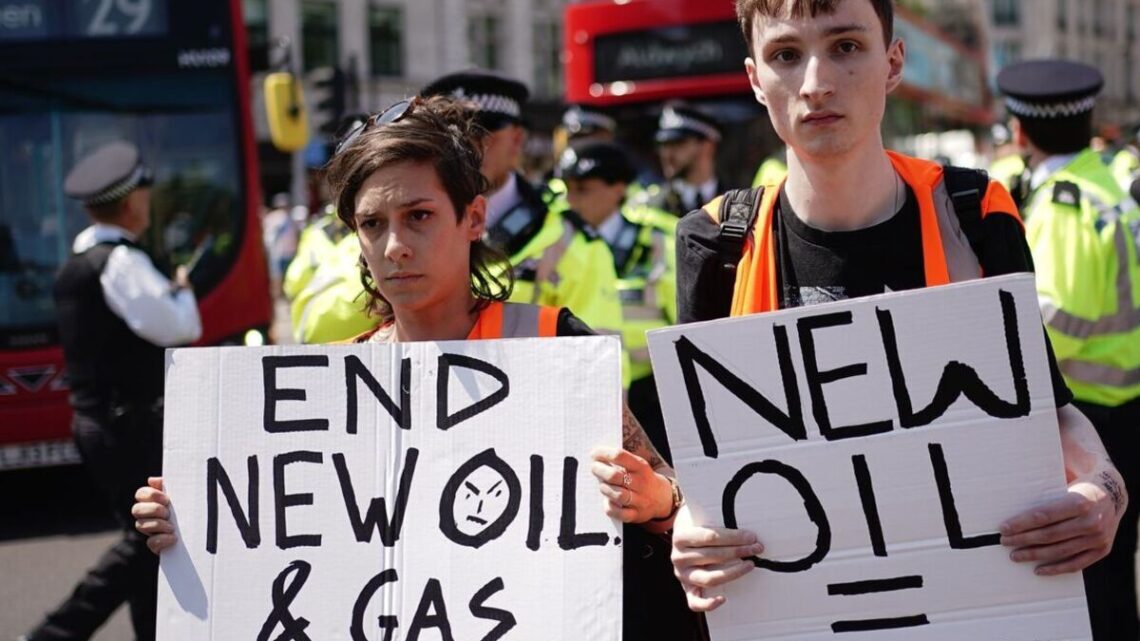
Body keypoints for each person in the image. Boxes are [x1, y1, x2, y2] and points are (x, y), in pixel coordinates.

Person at [130, 96, 695, 640]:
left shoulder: (552, 344)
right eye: (372, 224)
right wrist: (192, 527)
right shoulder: (333, 383)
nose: (395, 245)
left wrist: (654, 501)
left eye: (419, 216)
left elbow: (673, 495)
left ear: (473, 218)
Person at [669, 0, 1126, 616]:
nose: (816, 83)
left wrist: (1104, 493)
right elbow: (709, 475)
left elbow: (1049, 409)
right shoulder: (716, 241)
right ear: (755, 79)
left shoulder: (972, 213)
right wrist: (683, 529)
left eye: (846, 47)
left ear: (893, 62)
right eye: (785, 55)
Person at [25, 142, 202, 641]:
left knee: (148, 542)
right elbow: (179, 328)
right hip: (128, 424)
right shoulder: (120, 262)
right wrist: (183, 289)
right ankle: (54, 633)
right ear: (132, 203)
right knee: (145, 537)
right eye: (146, 194)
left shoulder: (78, 261)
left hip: (96, 420)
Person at [997, 58, 1140, 641]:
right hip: (1122, 404)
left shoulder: (1065, 201)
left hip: (1087, 418)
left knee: (1092, 594)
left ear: (1021, 130)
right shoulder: (1107, 183)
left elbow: (1057, 319)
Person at [640, 102, 725, 218]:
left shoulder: (738, 202)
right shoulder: (649, 206)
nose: (666, 154)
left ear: (707, 146)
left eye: (677, 143)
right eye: (663, 145)